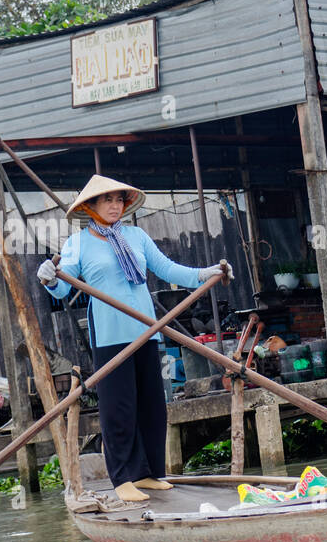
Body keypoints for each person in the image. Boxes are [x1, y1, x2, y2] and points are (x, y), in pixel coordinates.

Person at [37, 175, 226, 503]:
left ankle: (150, 473)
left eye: (119, 200)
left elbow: (167, 269)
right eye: (107, 200)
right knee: (118, 408)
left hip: (148, 332)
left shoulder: (136, 235)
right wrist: (50, 277)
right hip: (110, 336)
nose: (114, 205)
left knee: (153, 406)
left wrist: (204, 274)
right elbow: (63, 284)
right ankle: (123, 477)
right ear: (91, 206)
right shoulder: (79, 243)